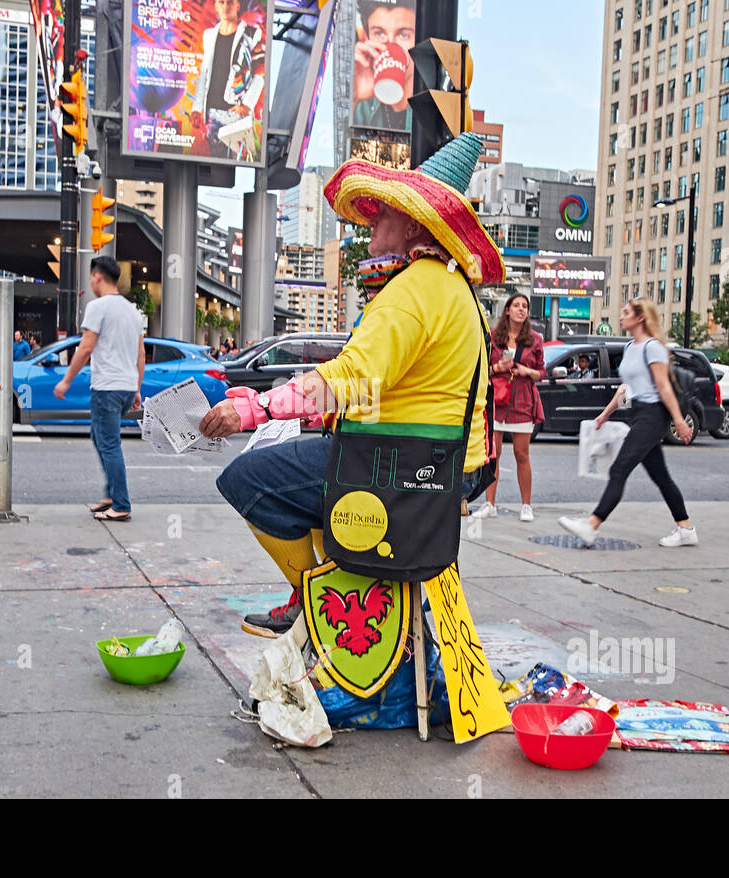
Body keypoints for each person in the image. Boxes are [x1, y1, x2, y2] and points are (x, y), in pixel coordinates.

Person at [199, 131, 504, 638]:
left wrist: (255, 410)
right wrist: (317, 409)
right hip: (442, 461)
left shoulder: (414, 289)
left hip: (405, 464)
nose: (372, 219)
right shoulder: (451, 287)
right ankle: (330, 590)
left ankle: (317, 602)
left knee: (248, 479)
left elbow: (352, 376)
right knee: (303, 477)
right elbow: (395, 385)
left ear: (413, 224)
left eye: (384, 211)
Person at [557, 300, 696, 548]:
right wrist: (605, 414)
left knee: (619, 469)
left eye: (626, 313)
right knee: (661, 476)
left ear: (640, 318)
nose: (621, 317)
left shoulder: (653, 348)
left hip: (653, 415)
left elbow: (663, 386)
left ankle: (592, 525)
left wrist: (679, 420)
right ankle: (685, 528)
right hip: (638, 413)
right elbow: (626, 388)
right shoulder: (631, 347)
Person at [55, 256, 143, 521]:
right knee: (100, 436)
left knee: (109, 443)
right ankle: (111, 495)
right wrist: (136, 389)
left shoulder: (97, 306)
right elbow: (140, 353)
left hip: (107, 387)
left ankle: (121, 504)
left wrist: (66, 380)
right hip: (125, 387)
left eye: (91, 277)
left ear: (97, 276)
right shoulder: (132, 311)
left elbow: (86, 348)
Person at [473, 293, 544, 522]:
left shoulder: (535, 339)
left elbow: (542, 373)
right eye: (517, 305)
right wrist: (498, 367)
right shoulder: (494, 337)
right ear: (507, 310)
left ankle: (526, 505)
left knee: (521, 454)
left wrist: (526, 371)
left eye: (525, 306)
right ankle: (489, 503)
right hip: (498, 398)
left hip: (522, 398)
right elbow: (482, 369)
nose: (521, 309)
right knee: (494, 454)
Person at [195, 0, 265, 159]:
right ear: (216, 6)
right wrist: (197, 108)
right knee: (216, 160)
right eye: (221, 2)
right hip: (212, 112)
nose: (226, 6)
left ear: (237, 6)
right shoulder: (209, 35)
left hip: (236, 111)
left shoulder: (252, 33)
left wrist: (247, 104)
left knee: (237, 159)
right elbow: (204, 73)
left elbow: (260, 71)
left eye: (230, 2)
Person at [351, 0, 417, 131]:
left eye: (404, 35)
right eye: (379, 33)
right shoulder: (361, 106)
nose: (390, 44)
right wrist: (353, 98)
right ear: (367, 38)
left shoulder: (436, 106)